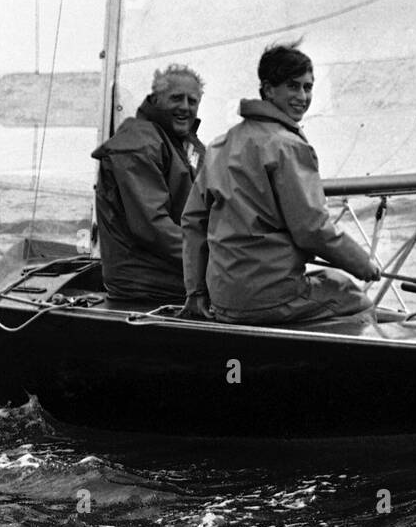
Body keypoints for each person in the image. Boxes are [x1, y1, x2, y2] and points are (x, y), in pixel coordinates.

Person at [181, 43, 380, 327]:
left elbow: (193, 222)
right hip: (269, 297)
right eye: (292, 86)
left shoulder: (220, 145)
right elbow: (312, 228)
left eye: (308, 87)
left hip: (224, 299)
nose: (302, 97)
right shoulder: (287, 145)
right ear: (268, 88)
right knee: (355, 300)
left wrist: (195, 292)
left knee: (328, 286)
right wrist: (363, 264)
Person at [92, 64, 206, 302]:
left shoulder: (185, 145)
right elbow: (153, 228)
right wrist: (213, 258)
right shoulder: (139, 145)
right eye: (176, 98)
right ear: (155, 99)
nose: (185, 107)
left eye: (192, 101)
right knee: (246, 291)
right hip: (144, 276)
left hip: (174, 266)